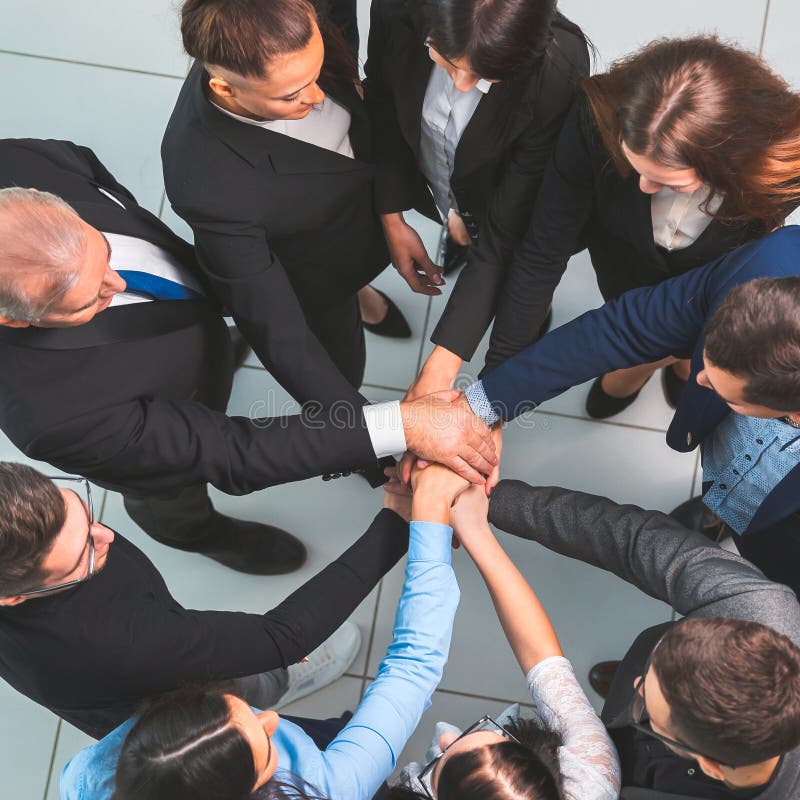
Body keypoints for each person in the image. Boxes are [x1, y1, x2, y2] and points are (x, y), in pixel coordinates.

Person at [0, 139, 497, 574]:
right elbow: (233, 450)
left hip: (184, 328)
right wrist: (403, 425)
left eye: (104, 254)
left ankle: (207, 339)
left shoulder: (18, 163)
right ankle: (206, 537)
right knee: (172, 501)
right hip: (156, 441)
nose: (119, 282)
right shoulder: (52, 413)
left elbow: (89, 170)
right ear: (16, 320)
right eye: (92, 299)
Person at [60, 464, 468, 800]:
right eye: (267, 747)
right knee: (342, 743)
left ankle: (283, 682)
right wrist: (430, 524)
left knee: (296, 711)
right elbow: (411, 667)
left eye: (235, 710)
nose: (273, 720)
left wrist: (399, 515)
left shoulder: (83, 778)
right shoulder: (330, 786)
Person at [464, 227, 800, 594]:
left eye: (727, 396)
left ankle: (739, 524)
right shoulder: (775, 261)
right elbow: (624, 328)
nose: (697, 381)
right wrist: (478, 408)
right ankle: (719, 508)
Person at [478, 36, 800, 419]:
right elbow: (542, 254)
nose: (643, 187)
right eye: (634, 168)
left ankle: (682, 363)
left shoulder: (784, 161)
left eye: (669, 182)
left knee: (701, 350)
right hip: (624, 267)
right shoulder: (595, 119)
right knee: (639, 330)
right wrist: (491, 401)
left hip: (718, 284)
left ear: (728, 164)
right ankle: (648, 366)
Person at [0, 462, 412, 738]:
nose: (104, 534)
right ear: (15, 596)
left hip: (131, 645)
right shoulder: (120, 644)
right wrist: (398, 522)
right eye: (83, 551)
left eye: (82, 510)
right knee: (226, 695)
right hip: (149, 702)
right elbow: (282, 637)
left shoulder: (33, 533)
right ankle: (274, 682)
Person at [483, 479, 800, 799]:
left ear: (711, 766)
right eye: (649, 676)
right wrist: (494, 502)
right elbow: (630, 538)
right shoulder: (760, 606)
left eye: (642, 701)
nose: (637, 683)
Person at [364, 0, 590, 395]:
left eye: (488, 77)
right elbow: (382, 97)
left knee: (509, 267)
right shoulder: (396, 7)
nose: (463, 85)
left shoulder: (558, 61)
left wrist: (442, 362)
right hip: (438, 173)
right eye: (446, 60)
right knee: (462, 221)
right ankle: (459, 226)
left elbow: (511, 223)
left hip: (503, 191)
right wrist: (392, 216)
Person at [390, 485, 621, 800]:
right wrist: (475, 531)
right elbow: (542, 658)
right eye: (499, 737)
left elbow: (408, 664)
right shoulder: (590, 780)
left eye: (440, 763)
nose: (445, 737)